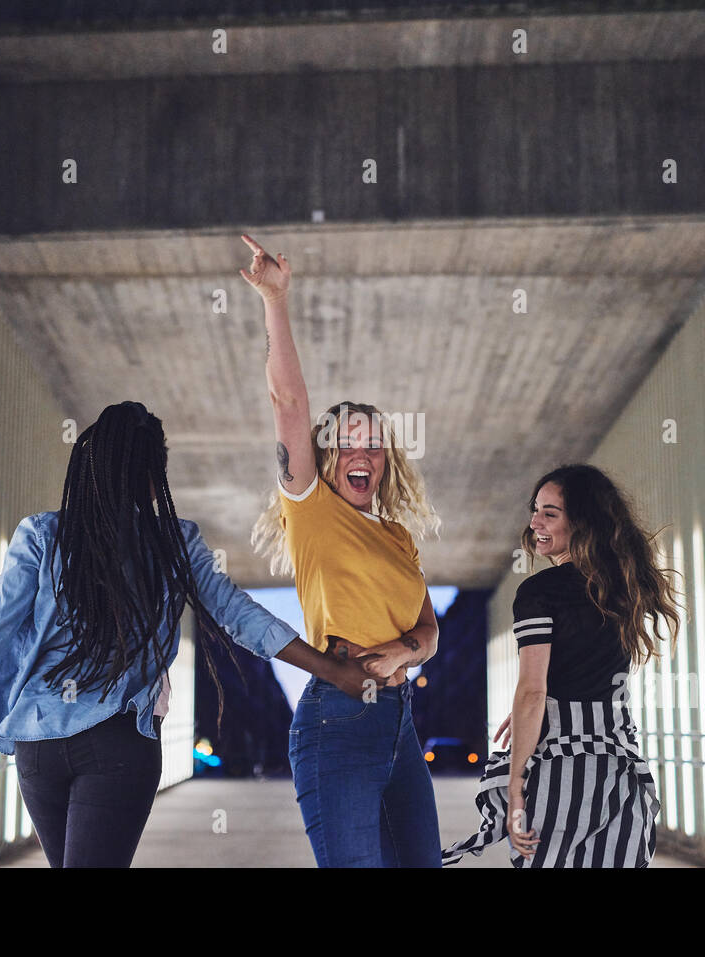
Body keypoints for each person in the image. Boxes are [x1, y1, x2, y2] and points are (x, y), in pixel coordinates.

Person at [0, 400, 375, 867]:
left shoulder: (41, 535)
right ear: (153, 476)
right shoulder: (172, 542)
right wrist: (331, 670)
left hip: (38, 744)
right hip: (117, 744)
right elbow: (237, 614)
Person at [240, 234, 445, 867]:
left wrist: (406, 651)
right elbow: (289, 402)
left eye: (374, 445)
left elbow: (430, 629)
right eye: (347, 443)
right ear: (325, 456)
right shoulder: (311, 509)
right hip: (340, 719)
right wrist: (276, 300)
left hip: (399, 721)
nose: (363, 455)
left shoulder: (396, 536)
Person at [443, 464, 681, 868]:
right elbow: (580, 676)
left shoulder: (540, 592)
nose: (534, 522)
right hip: (618, 765)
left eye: (549, 513)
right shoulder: (624, 587)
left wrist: (515, 783)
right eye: (535, 510)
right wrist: (537, 710)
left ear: (582, 523)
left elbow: (533, 690)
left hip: (561, 768)